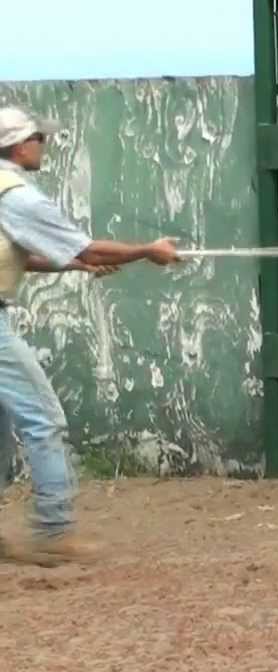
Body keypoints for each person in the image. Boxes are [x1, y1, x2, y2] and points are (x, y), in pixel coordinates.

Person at [0, 106, 182, 566]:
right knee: (43, 419)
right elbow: (87, 245)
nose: (45, 144)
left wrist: (75, 264)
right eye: (40, 138)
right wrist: (147, 250)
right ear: (21, 146)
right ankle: (54, 530)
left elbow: (19, 255)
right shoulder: (19, 197)